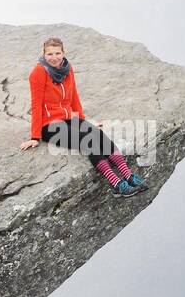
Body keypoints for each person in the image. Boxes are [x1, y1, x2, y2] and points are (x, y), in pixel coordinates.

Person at [19, 36, 148, 197]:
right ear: (43, 55)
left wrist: (82, 120)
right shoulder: (38, 72)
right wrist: (35, 137)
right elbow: (36, 104)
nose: (54, 58)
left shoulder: (67, 68)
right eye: (49, 54)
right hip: (49, 125)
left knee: (98, 134)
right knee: (88, 141)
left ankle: (128, 176)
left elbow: (73, 95)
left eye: (57, 53)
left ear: (63, 53)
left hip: (69, 119)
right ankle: (116, 184)